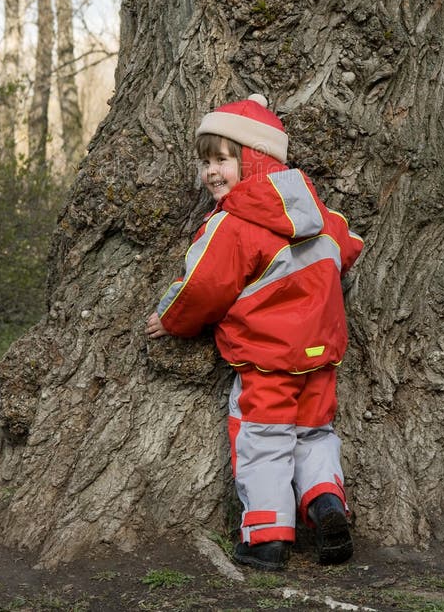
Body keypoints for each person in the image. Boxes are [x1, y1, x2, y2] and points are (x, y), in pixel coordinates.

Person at [146, 94, 363, 571]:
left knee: (263, 438)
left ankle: (266, 538)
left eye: (222, 159)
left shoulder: (233, 225)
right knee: (314, 433)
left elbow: (203, 287)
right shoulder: (316, 212)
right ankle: (326, 502)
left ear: (256, 159)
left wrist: (170, 318)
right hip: (321, 355)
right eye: (205, 161)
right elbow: (349, 244)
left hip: (267, 362)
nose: (211, 172)